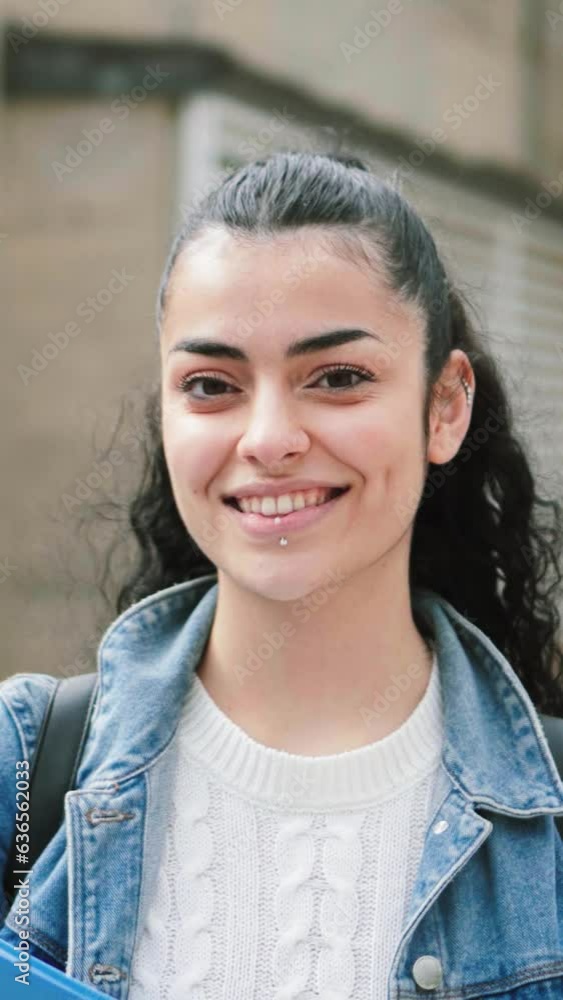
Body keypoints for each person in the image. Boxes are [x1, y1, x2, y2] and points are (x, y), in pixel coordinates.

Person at [1, 150, 563, 998]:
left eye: (338, 378)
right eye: (211, 384)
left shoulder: (550, 834)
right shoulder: (22, 772)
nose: (267, 438)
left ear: (444, 406)